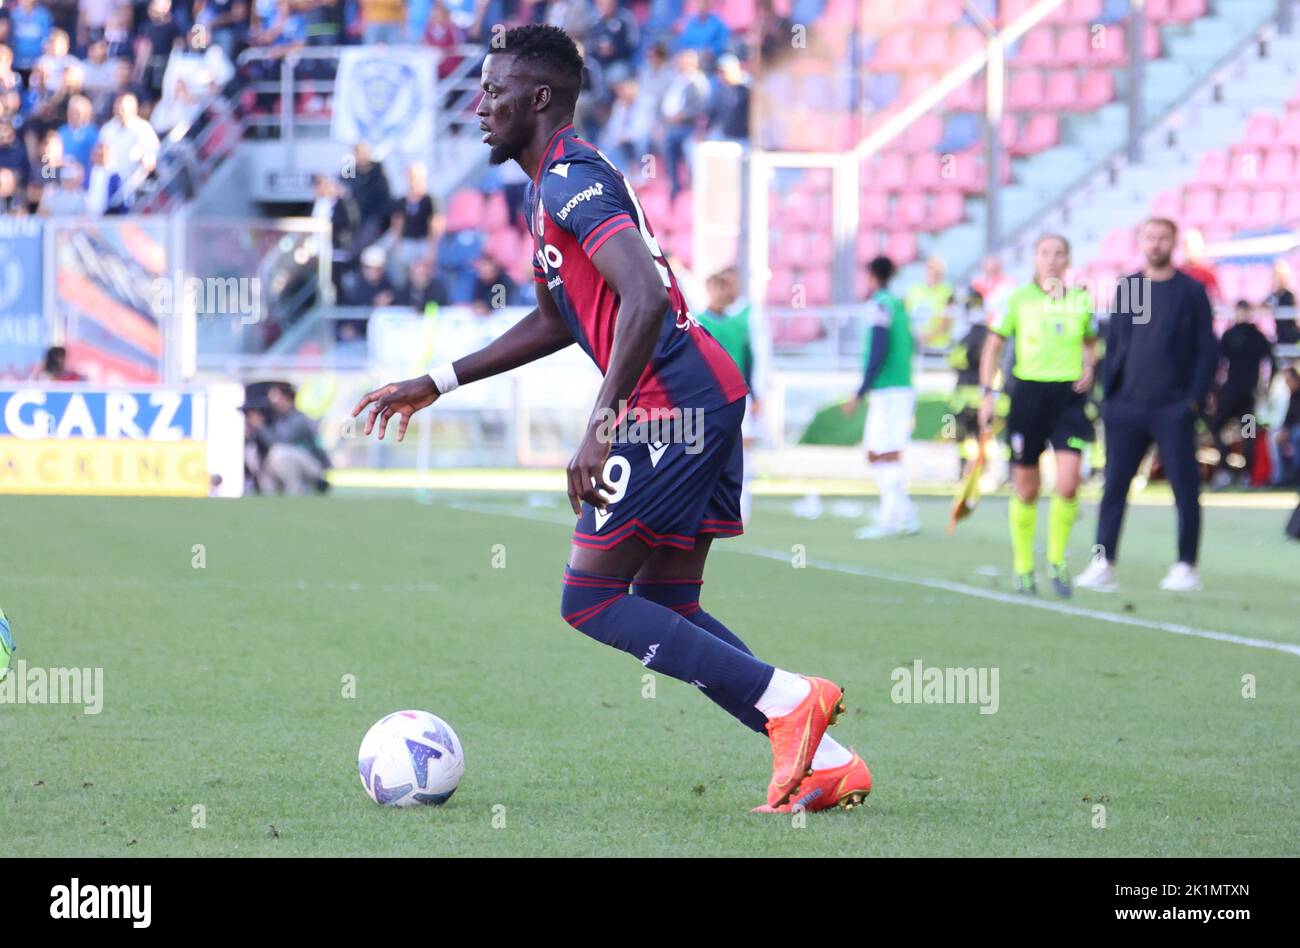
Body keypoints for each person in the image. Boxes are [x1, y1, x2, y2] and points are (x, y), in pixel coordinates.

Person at [352, 24, 870, 814]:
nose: (480, 105)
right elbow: (557, 320)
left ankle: (791, 699)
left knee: (589, 599)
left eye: (493, 91)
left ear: (540, 97)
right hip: (702, 393)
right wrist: (438, 379)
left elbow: (647, 294)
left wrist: (603, 425)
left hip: (673, 402)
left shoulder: (571, 177)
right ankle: (825, 759)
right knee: (666, 604)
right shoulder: (549, 185)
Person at [1077, 218, 1217, 593]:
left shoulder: (1190, 291)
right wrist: (1108, 391)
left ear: (1174, 242)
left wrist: (1192, 400)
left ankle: (1186, 565)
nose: (1155, 244)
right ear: (1141, 241)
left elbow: (1207, 349)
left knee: (1184, 489)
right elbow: (1118, 342)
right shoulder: (1131, 287)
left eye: (1163, 238)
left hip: (1173, 407)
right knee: (1114, 487)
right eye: (1150, 237)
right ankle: (1103, 560)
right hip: (1125, 406)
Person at [978, 235, 1097, 597]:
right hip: (1028, 396)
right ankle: (1023, 565)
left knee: (1068, 483)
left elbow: (1091, 341)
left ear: (1068, 259)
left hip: (1069, 399)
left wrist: (1089, 366)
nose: (1052, 260)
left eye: (1060, 253)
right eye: (1045, 253)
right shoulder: (1017, 300)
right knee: (1027, 488)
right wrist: (988, 393)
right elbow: (993, 346)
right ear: (1035, 258)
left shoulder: (1080, 300)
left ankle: (1057, 560)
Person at [842, 255, 919, 539]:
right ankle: (904, 512)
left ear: (872, 275)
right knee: (880, 451)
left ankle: (891, 518)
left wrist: (860, 391)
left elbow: (879, 347)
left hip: (889, 390)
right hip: (898, 387)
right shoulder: (898, 305)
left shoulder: (879, 305)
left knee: (884, 451)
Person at [696, 267, 768, 522]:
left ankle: (739, 506)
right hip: (708, 398)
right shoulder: (696, 321)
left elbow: (749, 361)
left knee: (742, 452)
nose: (723, 292)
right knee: (707, 452)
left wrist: (756, 396)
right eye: (719, 287)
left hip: (738, 396)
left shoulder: (740, 323)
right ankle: (707, 505)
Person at [1208, 300, 1272, 487]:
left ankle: (1236, 472)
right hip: (1241, 394)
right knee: (1242, 432)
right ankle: (1238, 472)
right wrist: (1264, 386)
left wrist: (1215, 388)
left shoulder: (1241, 335)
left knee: (1241, 432)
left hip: (1239, 394)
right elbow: (1218, 363)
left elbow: (1217, 364)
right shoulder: (1253, 336)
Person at [244, 382, 331, 495]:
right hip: (281, 463)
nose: (272, 402)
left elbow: (279, 442)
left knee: (279, 452)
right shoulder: (276, 419)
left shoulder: (299, 419)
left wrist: (260, 425)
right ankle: (270, 498)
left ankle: (296, 491)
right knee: (253, 452)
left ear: (288, 398)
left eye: (276, 397)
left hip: (312, 465)